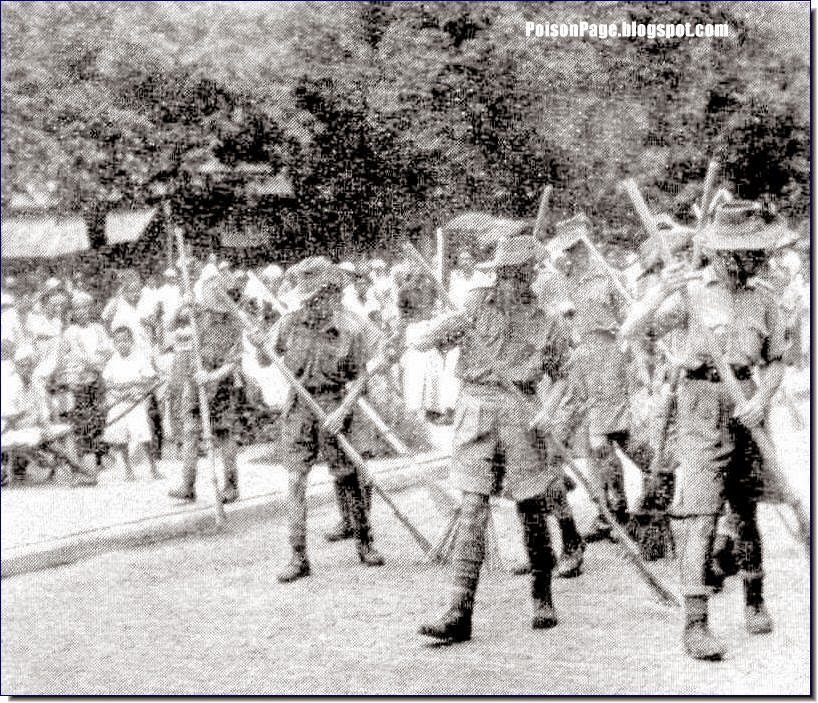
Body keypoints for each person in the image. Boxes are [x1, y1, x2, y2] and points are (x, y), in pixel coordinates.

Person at [620, 200, 791, 661]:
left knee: (746, 509)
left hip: (748, 405)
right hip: (699, 405)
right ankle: (695, 624)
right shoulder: (690, 290)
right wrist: (658, 295)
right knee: (699, 514)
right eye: (747, 252)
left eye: (758, 251)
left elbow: (777, 357)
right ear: (723, 253)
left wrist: (762, 397)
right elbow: (632, 331)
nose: (756, 259)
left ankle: (755, 600)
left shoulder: (764, 296)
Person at [412, 236, 574, 644]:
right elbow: (422, 342)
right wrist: (443, 327)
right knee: (472, 509)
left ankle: (542, 592)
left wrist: (547, 409)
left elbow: (563, 376)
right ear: (498, 276)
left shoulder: (546, 320)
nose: (519, 284)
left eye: (525, 276)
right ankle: (458, 611)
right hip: (475, 410)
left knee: (531, 506)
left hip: (522, 414)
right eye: (510, 277)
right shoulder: (472, 309)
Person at [255, 256, 385, 582]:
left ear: (330, 295)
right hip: (299, 408)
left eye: (317, 299)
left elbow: (360, 377)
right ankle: (298, 556)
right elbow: (264, 357)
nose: (311, 306)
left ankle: (364, 541)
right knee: (296, 480)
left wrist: (342, 411)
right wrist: (259, 342)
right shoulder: (289, 323)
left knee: (347, 476)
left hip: (333, 407)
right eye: (307, 300)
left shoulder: (348, 330)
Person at [166, 267, 244, 503]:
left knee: (224, 434)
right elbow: (170, 326)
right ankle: (187, 485)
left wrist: (212, 377)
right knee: (190, 433)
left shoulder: (235, 324)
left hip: (221, 384)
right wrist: (182, 304)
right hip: (195, 381)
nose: (214, 311)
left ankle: (231, 487)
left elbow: (234, 362)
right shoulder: (199, 314)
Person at [58, 291, 113, 475]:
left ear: (90, 309)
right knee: (83, 419)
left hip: (97, 376)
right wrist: (74, 372)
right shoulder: (69, 333)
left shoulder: (98, 328)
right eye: (78, 308)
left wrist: (97, 364)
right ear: (73, 311)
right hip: (79, 380)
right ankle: (84, 460)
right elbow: (66, 358)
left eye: (85, 307)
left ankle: (98, 455)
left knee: (100, 415)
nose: (82, 311)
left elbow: (107, 350)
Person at [102, 325, 160, 480]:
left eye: (126, 340)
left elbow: (151, 379)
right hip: (118, 401)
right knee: (120, 436)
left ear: (131, 341)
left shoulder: (140, 358)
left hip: (136, 402)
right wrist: (122, 389)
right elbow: (107, 384)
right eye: (118, 341)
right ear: (114, 343)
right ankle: (128, 469)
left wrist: (135, 386)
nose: (122, 344)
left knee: (143, 434)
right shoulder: (112, 361)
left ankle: (153, 467)